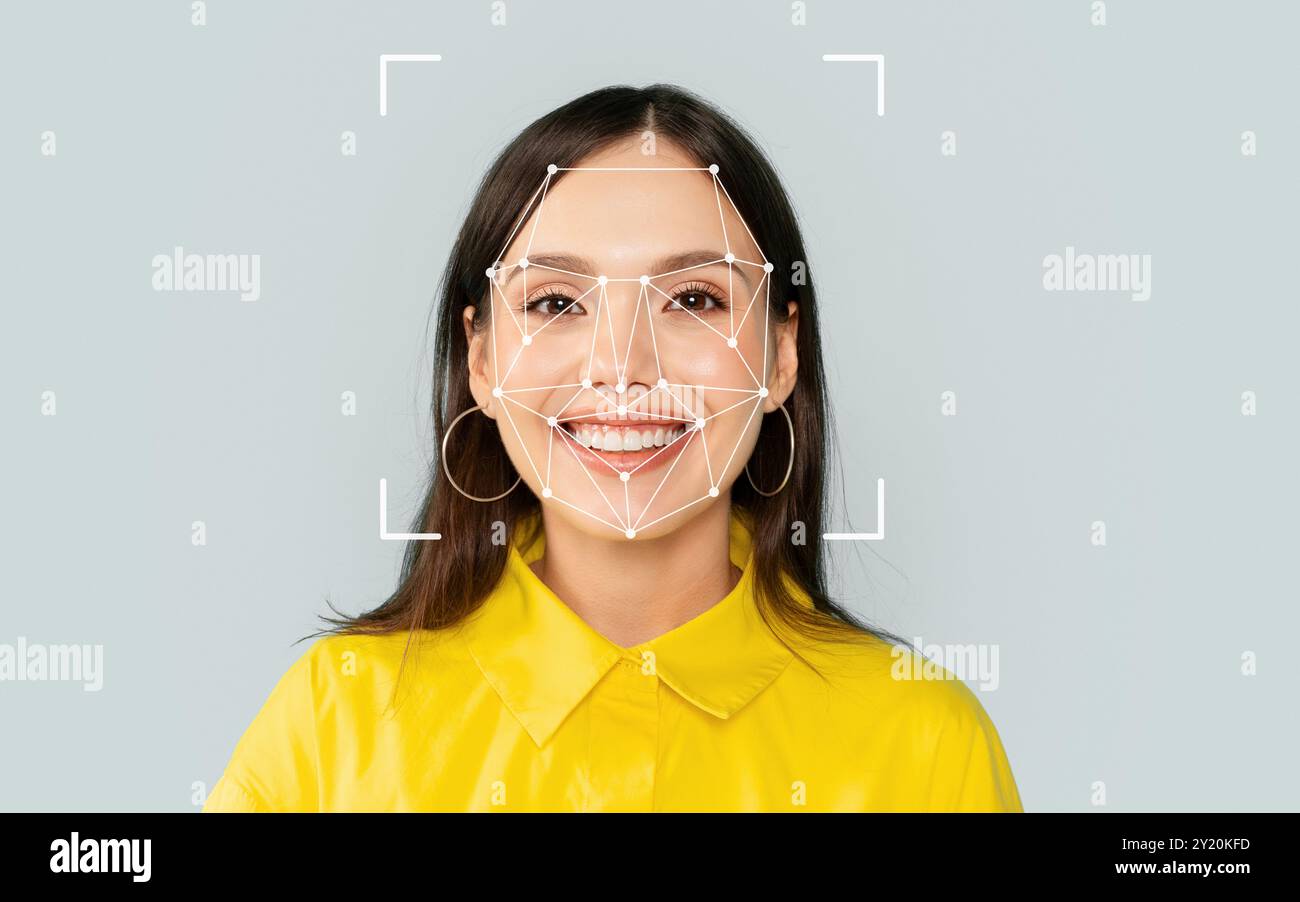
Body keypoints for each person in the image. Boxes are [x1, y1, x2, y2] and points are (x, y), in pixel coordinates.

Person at [204, 83, 1023, 812]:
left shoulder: (926, 743)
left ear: (780, 358)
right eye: (556, 302)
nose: (623, 367)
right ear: (482, 361)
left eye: (695, 298)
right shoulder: (331, 725)